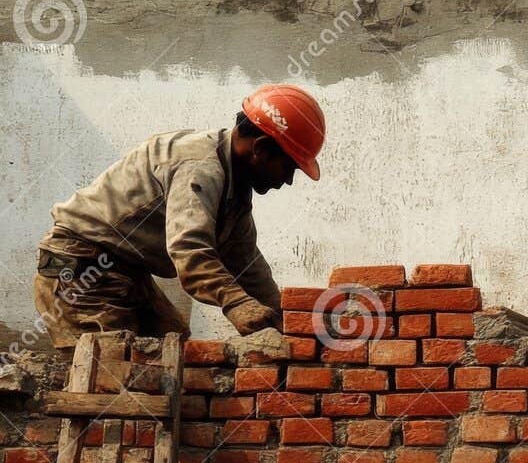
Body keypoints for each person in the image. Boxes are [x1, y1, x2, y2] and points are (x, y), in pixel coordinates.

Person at [32, 84, 325, 362]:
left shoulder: (234, 184)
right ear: (260, 148)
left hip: (123, 271)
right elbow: (189, 249)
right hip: (81, 267)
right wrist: (236, 303)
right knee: (115, 369)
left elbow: (245, 262)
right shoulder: (200, 167)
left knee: (171, 345)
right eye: (288, 167)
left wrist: (284, 319)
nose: (287, 179)